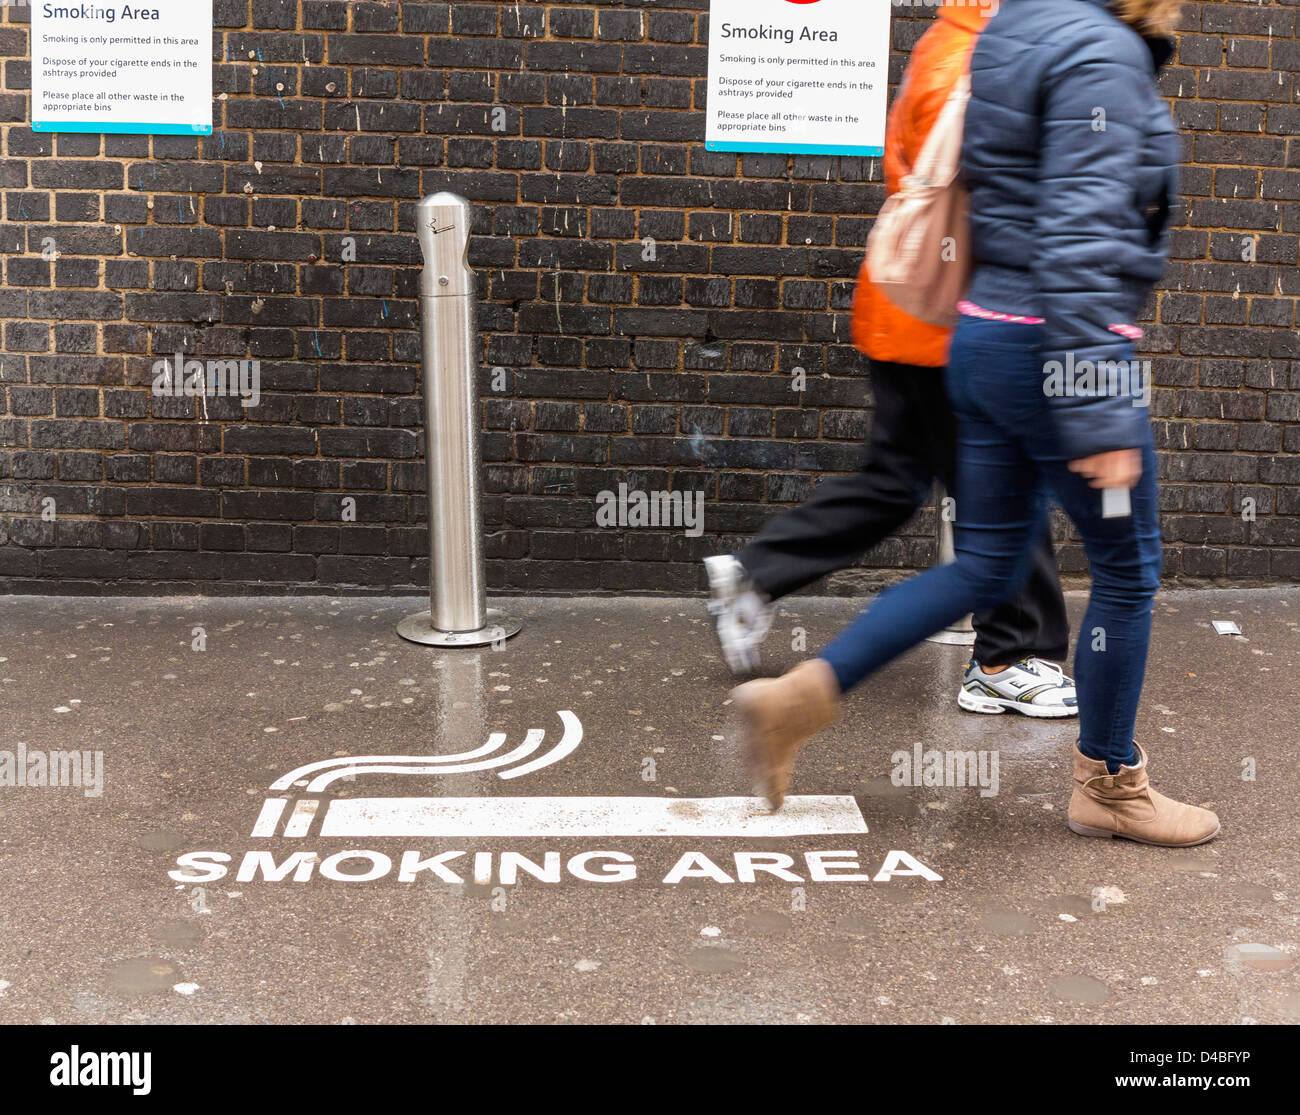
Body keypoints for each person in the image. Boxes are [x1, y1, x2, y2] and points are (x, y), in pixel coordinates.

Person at [730, 0, 1221, 849]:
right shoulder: (1099, 56)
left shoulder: (1012, 32)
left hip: (985, 337)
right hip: (1062, 357)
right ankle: (1110, 781)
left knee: (989, 563)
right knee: (1127, 570)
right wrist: (1099, 401)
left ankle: (805, 693)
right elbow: (1079, 235)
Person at [706, 0, 1078, 720]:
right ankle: (1010, 654)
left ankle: (755, 573)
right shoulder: (985, 56)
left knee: (897, 478)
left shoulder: (952, 38)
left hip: (906, 302)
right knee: (1003, 484)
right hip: (950, 315)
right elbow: (994, 191)